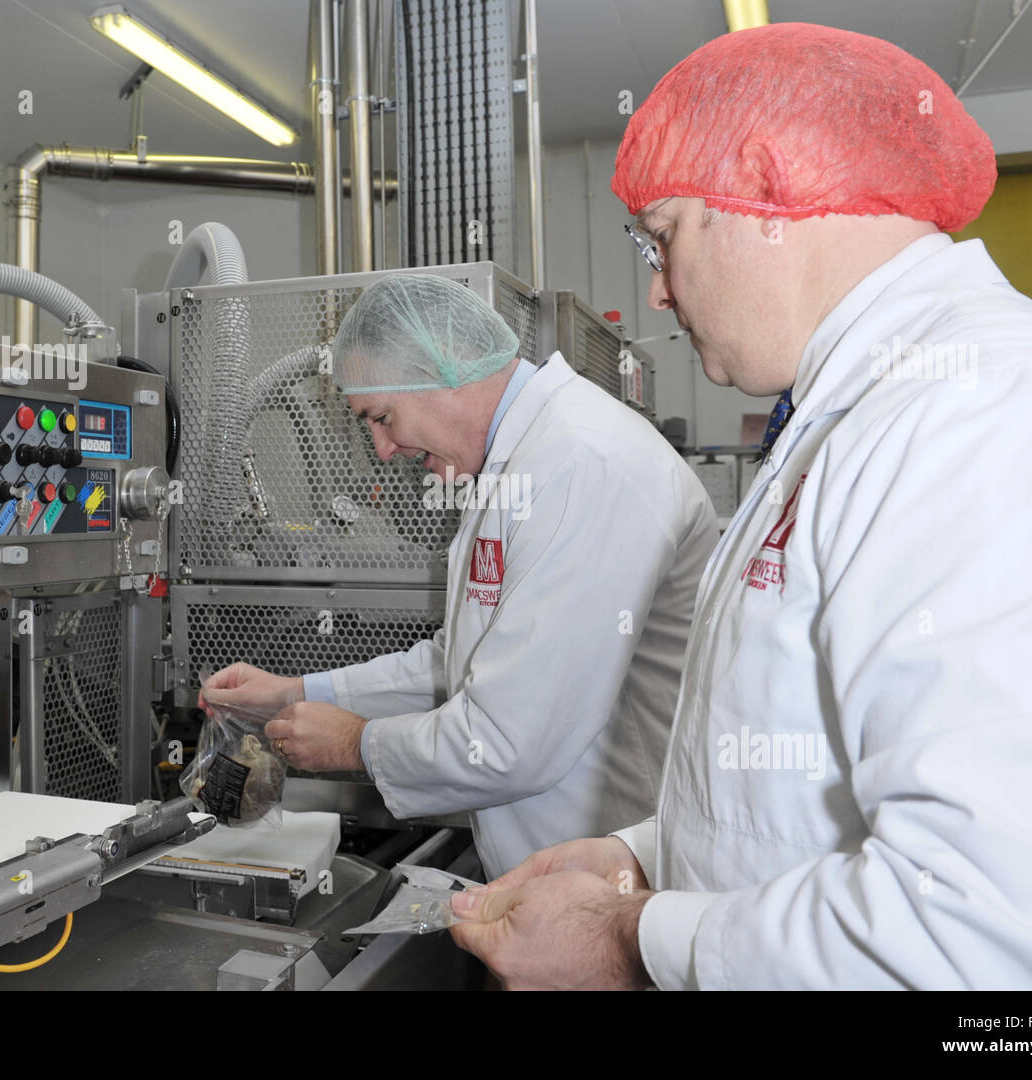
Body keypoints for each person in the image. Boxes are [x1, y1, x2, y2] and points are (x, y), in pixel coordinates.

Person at [449, 22, 1032, 988]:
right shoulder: (861, 410)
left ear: (763, 189)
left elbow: (995, 934)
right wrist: (647, 859)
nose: (653, 292)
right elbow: (817, 774)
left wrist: (629, 940)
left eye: (663, 236)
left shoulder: (989, 413)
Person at [200, 274, 719, 879]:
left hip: (615, 888)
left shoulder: (578, 463)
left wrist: (356, 743)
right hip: (556, 878)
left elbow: (509, 741)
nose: (383, 449)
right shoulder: (518, 463)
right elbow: (464, 663)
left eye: (382, 417)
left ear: (441, 372)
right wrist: (296, 694)